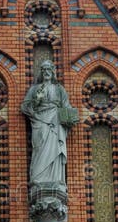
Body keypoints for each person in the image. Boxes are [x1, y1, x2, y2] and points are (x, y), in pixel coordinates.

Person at [21, 61, 77, 195]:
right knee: (39, 149)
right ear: (41, 72)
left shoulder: (59, 89)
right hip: (39, 122)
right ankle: (38, 180)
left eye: (49, 70)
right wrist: (36, 101)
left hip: (56, 121)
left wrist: (71, 115)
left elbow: (66, 106)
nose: (46, 72)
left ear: (53, 72)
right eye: (44, 69)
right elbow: (25, 107)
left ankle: (56, 179)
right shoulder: (34, 89)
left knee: (55, 149)